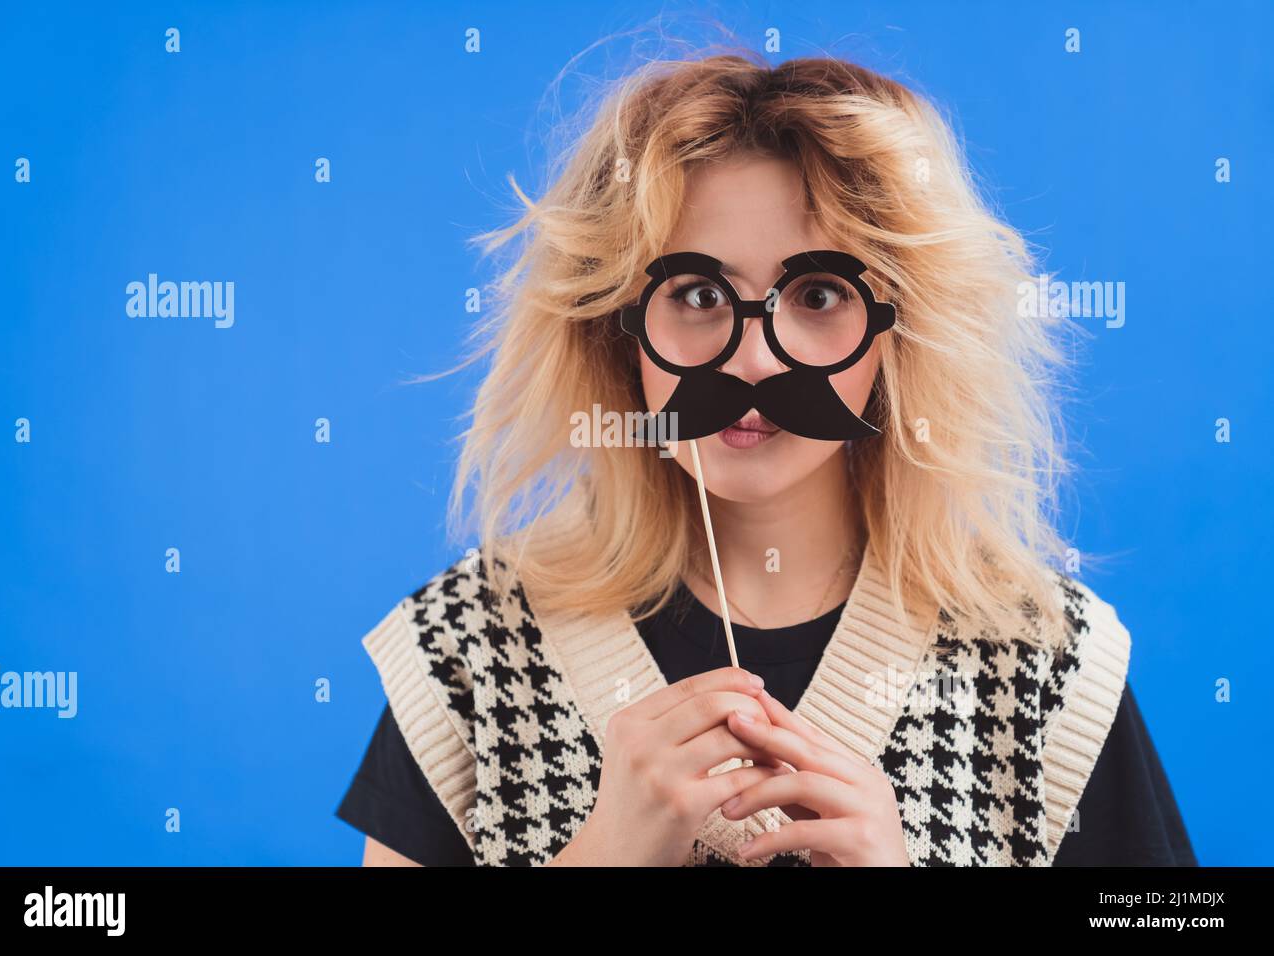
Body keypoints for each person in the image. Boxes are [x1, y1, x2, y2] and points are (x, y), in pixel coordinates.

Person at [336, 50, 1196, 867]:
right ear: (616, 328)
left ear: (901, 334)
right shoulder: (471, 651)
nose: (755, 362)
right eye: (699, 295)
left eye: (819, 295)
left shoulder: (1041, 663)